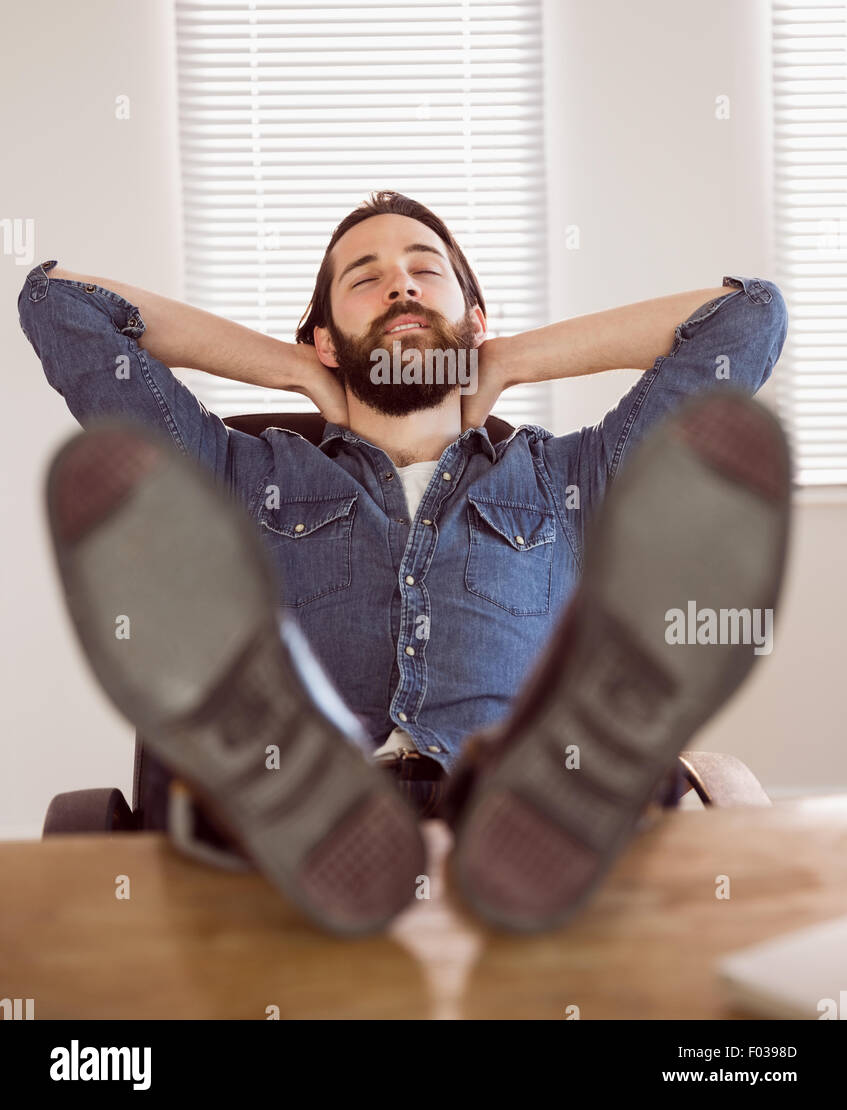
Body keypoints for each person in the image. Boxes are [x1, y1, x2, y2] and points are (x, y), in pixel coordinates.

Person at [18, 191, 792, 936]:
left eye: (427, 270)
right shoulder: (237, 476)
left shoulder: (572, 481)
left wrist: (507, 361)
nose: (400, 283)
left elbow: (746, 318)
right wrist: (293, 371)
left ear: (474, 318)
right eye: (365, 278)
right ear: (324, 337)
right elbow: (58, 303)